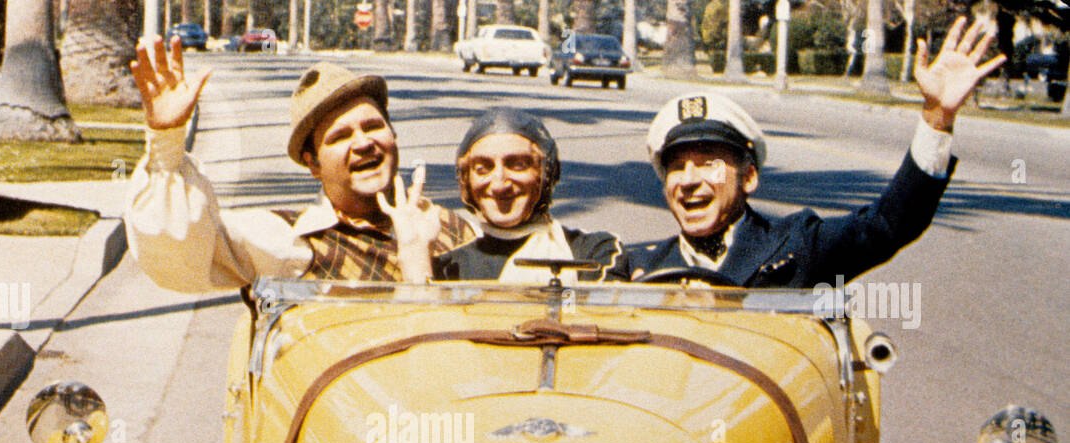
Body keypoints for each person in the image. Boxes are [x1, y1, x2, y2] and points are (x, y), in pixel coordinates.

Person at [608, 17, 1006, 288]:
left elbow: (889, 224)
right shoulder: (641, 268)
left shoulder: (798, 246)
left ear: (748, 177)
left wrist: (937, 117)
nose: (690, 179)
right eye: (676, 167)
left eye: (710, 162)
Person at [123, 37, 473, 292]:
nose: (364, 143)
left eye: (373, 126)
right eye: (339, 137)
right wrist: (166, 139)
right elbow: (180, 255)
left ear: (393, 136)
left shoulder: (450, 226)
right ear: (313, 164)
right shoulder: (290, 241)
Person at [386, 108, 620, 284]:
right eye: (483, 169)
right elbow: (427, 334)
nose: (499, 184)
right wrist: (414, 249)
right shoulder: (449, 270)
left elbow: (594, 324)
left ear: (546, 173)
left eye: (518, 165)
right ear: (466, 182)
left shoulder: (592, 253)